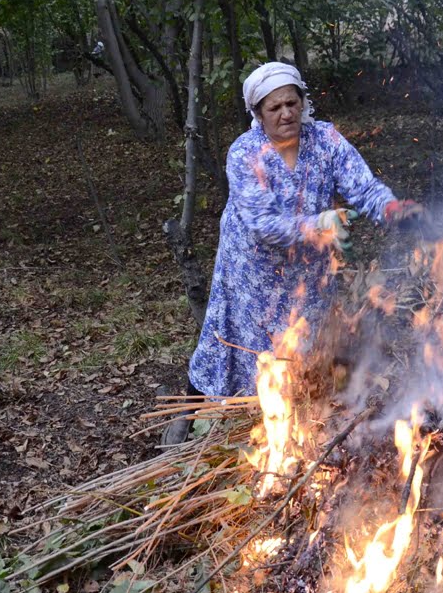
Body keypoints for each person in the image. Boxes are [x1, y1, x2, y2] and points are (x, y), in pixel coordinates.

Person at [162, 63, 421, 445]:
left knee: (301, 349)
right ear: (258, 113)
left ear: (303, 102)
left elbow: (362, 187)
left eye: (291, 103)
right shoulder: (245, 153)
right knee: (229, 345)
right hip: (251, 272)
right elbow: (264, 225)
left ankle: (285, 435)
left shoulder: (326, 141)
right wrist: (322, 225)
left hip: (306, 273)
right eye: (274, 107)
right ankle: (187, 417)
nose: (285, 113)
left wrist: (390, 209)